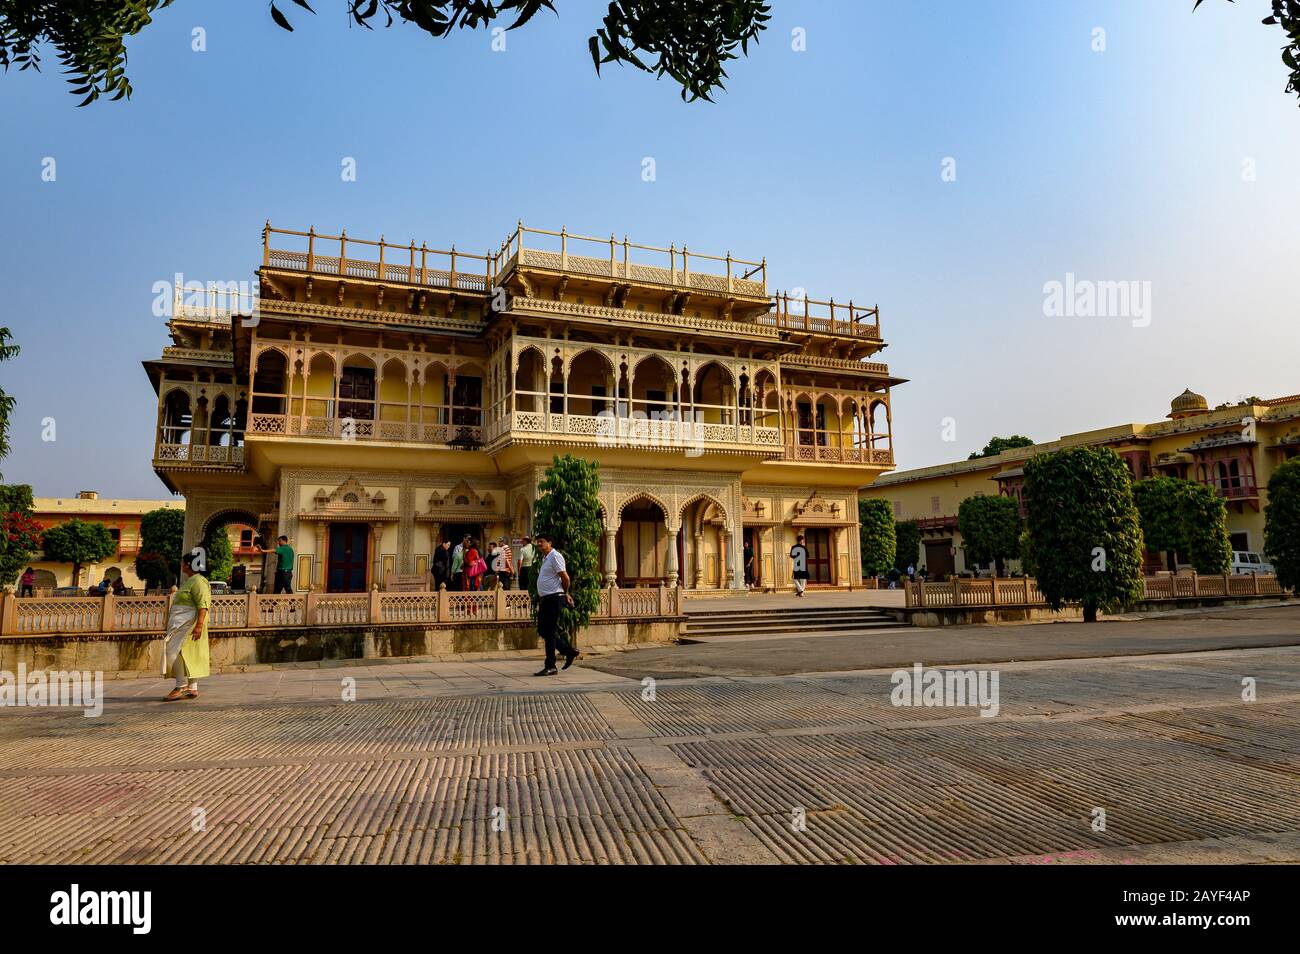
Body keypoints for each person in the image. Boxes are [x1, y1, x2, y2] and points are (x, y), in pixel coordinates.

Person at [161, 551, 211, 702]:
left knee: (172, 650)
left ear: (190, 565)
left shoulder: (199, 581)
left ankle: (181, 685)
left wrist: (199, 625)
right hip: (181, 622)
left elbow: (203, 604)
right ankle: (192, 688)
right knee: (187, 653)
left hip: (189, 623)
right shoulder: (190, 580)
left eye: (183, 562)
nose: (181, 565)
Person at [532, 533, 579, 676]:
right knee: (543, 630)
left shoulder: (555, 556)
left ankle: (551, 665)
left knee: (550, 631)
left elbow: (565, 577)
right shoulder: (546, 558)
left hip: (554, 598)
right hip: (547, 599)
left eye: (542, 541)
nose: (539, 544)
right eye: (538, 542)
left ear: (550, 542)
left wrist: (565, 593)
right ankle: (568, 651)